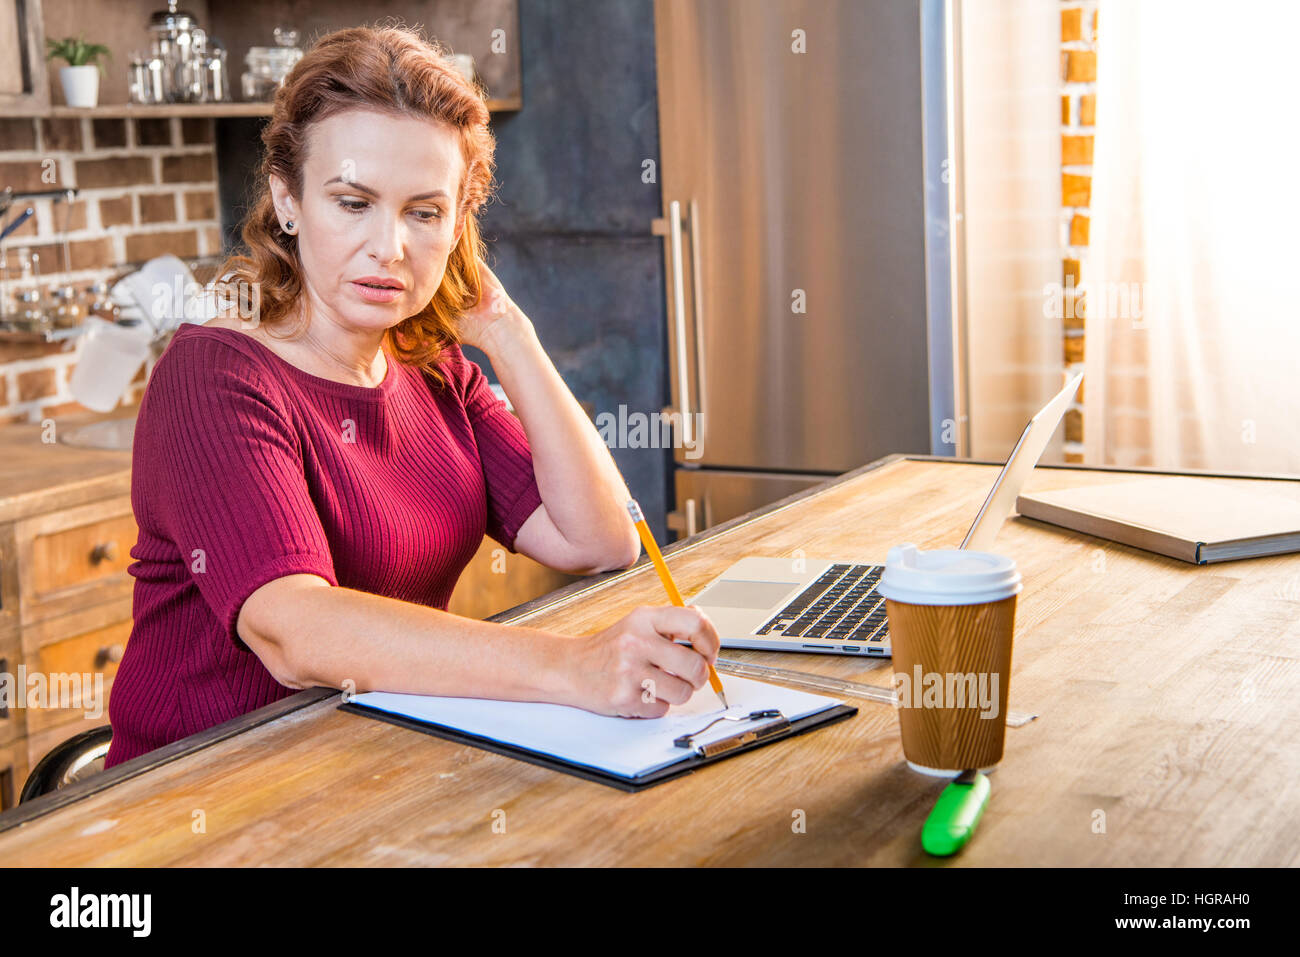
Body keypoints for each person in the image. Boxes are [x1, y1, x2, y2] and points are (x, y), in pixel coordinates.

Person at [103, 24, 718, 769]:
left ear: (459, 223)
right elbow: (297, 631)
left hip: (380, 768)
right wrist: (571, 666)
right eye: (353, 202)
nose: (390, 247)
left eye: (424, 212)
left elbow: (597, 539)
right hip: (201, 800)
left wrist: (507, 330)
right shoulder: (215, 376)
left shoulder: (435, 370)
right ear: (287, 200)